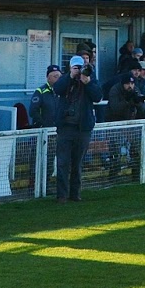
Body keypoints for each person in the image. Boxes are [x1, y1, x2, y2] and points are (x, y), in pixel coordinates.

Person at [53, 61, 96, 202]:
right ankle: (62, 195)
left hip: (82, 129)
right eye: (76, 67)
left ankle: (75, 193)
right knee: (62, 163)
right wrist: (70, 76)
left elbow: (98, 96)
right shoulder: (65, 79)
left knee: (77, 164)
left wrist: (87, 82)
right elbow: (57, 89)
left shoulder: (91, 80)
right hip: (65, 128)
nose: (79, 70)